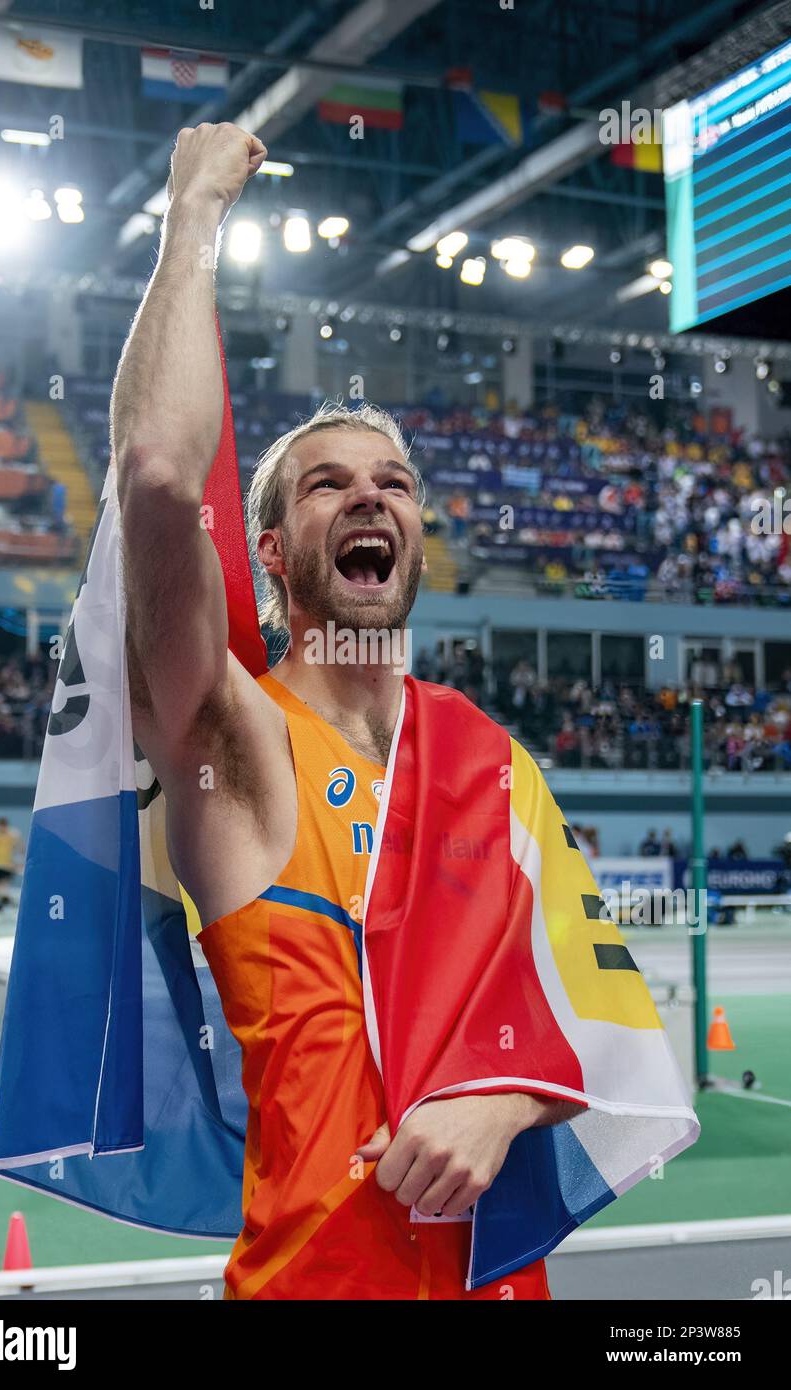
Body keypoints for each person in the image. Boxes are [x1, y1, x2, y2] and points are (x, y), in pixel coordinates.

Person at [111, 122, 682, 1302]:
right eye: (327, 482)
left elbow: (602, 1008)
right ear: (271, 550)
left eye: (394, 483)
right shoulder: (238, 743)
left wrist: (507, 1094)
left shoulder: (492, 762)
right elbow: (161, 479)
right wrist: (192, 221)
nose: (368, 493)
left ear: (415, 536)